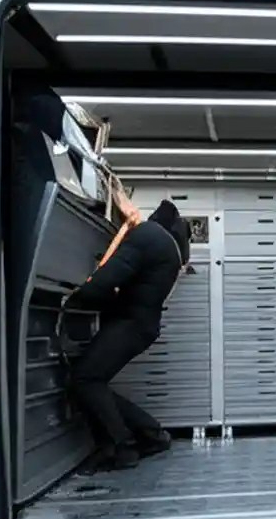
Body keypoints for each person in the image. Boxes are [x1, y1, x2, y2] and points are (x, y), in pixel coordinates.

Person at [65, 193, 190, 471]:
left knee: (86, 379)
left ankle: (123, 447)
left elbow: (111, 275)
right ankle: (152, 435)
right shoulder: (170, 248)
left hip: (130, 323)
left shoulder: (148, 235)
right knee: (93, 380)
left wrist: (77, 298)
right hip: (141, 325)